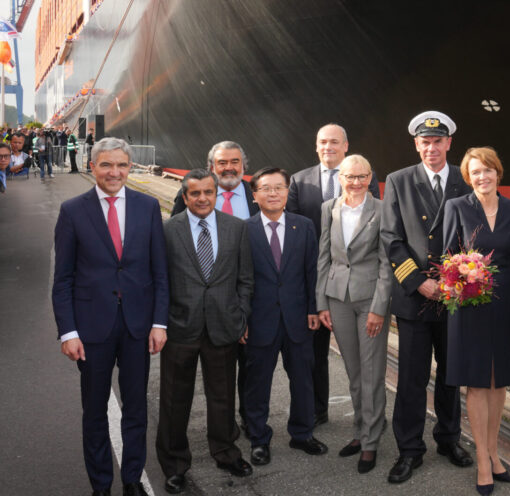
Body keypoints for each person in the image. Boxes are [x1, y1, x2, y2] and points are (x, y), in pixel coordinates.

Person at [51, 137, 168, 496]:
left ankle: (132, 479)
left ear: (130, 167)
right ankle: (100, 485)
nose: (114, 172)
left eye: (121, 165)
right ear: (92, 167)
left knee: (136, 408)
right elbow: (63, 279)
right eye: (106, 164)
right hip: (91, 329)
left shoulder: (148, 207)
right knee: (94, 411)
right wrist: (68, 332)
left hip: (137, 326)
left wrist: (159, 323)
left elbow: (160, 272)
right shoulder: (73, 210)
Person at [384, 110, 473, 483]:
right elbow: (391, 239)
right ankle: (409, 449)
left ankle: (449, 439)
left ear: (449, 143)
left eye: (438, 141)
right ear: (416, 144)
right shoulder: (399, 180)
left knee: (452, 375)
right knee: (411, 379)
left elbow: (477, 232)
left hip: (454, 296)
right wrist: (418, 281)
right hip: (415, 297)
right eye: (425, 142)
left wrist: (462, 279)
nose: (431, 148)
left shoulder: (466, 179)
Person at [156, 170, 255, 493]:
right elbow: (159, 281)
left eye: (208, 192)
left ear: (216, 194)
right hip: (180, 327)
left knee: (223, 396)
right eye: (195, 193)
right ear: (185, 197)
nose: (202, 199)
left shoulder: (236, 228)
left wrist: (241, 317)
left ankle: (226, 452)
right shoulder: (167, 230)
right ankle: (174, 464)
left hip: (223, 326)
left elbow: (245, 279)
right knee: (174, 400)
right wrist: (160, 323)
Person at [443, 147, 510, 495]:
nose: (482, 177)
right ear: (468, 177)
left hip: (505, 303)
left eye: (488, 170)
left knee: (499, 381)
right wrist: (463, 276)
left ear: (498, 172)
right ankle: (481, 458)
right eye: (476, 172)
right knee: (478, 383)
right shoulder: (457, 207)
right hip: (470, 304)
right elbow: (448, 257)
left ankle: (494, 453)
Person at [289, 123, 381, 426]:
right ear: (316, 146)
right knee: (315, 351)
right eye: (323, 142)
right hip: (314, 279)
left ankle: (368, 419)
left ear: (346, 146)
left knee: (362, 358)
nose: (328, 147)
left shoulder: (365, 178)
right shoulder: (299, 180)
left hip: (355, 283)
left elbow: (375, 227)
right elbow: (293, 230)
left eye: (334, 142)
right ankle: (318, 410)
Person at [241, 167, 328, 465]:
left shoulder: (303, 226)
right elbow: (240, 279)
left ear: (287, 192)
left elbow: (312, 271)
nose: (273, 193)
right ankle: (258, 438)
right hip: (259, 320)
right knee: (257, 383)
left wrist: (313, 308)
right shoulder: (244, 230)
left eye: (279, 187)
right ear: (255, 196)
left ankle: (302, 434)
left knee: (303, 379)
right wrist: (242, 320)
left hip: (298, 318)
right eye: (266, 188)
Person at [316, 154, 393, 474]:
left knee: (372, 372)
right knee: (354, 372)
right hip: (338, 299)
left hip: (370, 300)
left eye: (362, 176)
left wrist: (379, 307)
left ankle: (371, 441)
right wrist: (321, 302)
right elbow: (323, 255)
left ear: (370, 177)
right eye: (350, 176)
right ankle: (360, 431)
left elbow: (387, 262)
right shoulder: (329, 208)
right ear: (340, 178)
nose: (356, 182)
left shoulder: (382, 209)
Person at [171, 141, 259, 219]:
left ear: (243, 165)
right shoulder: (189, 193)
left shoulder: (258, 194)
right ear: (212, 168)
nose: (229, 168)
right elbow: (175, 227)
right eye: (222, 163)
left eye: (234, 162)